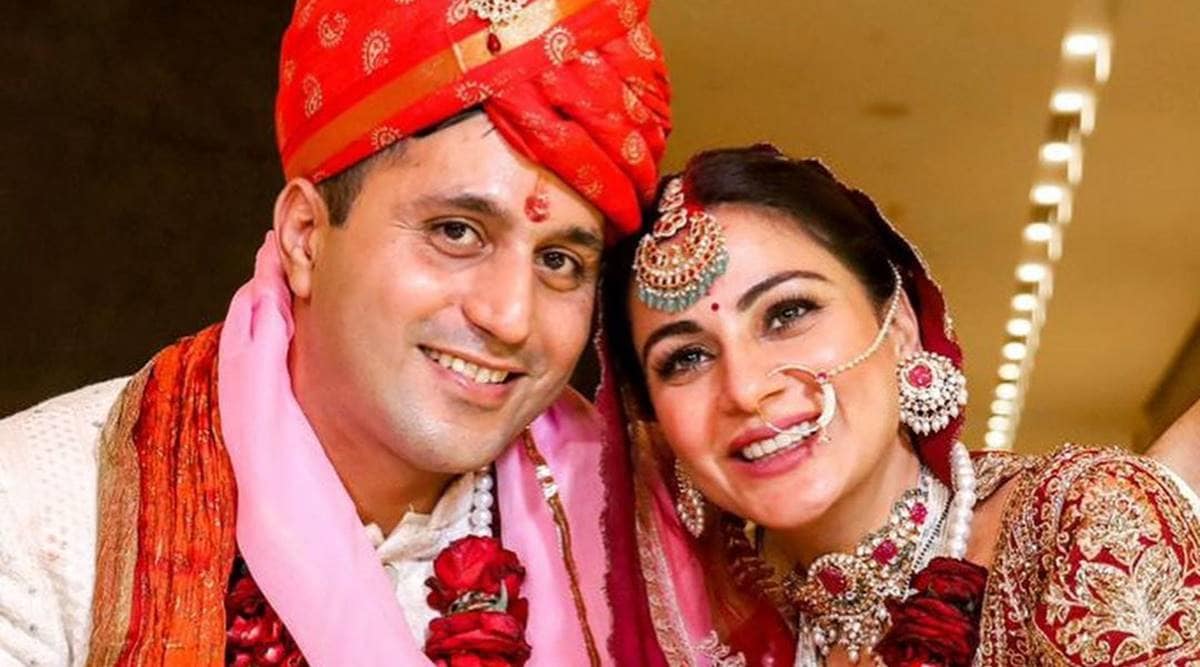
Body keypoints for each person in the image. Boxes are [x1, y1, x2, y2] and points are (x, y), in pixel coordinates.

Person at [0, 1, 670, 665]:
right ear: (305, 236)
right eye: (456, 232)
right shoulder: (40, 515)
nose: (510, 316)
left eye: (560, 261)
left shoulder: (639, 536)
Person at [599, 145, 1200, 666]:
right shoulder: (702, 626)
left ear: (902, 328)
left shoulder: (1080, 524)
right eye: (686, 358)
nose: (746, 389)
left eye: (788, 314)